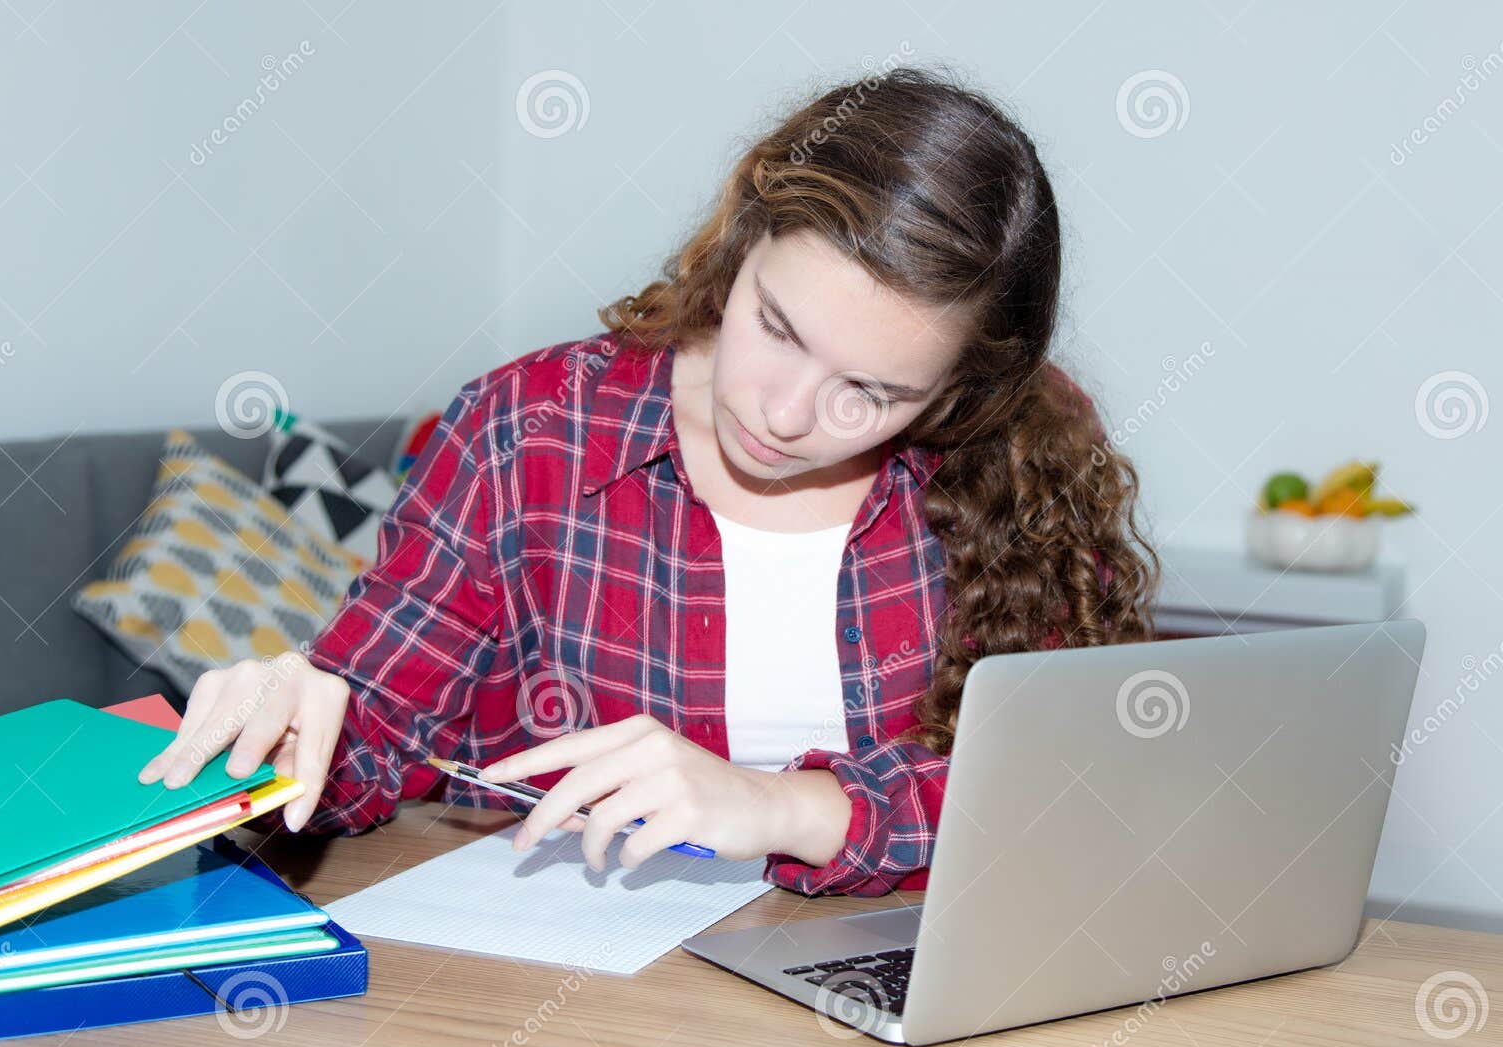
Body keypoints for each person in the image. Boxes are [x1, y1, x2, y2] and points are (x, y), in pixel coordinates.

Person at [137, 66, 1159, 897]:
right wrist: (286, 722)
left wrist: (787, 807)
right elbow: (373, 735)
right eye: (777, 327)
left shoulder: (1013, 462)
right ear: (743, 238)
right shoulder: (527, 430)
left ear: (956, 395)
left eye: (872, 391)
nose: (785, 412)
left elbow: (1069, 787)